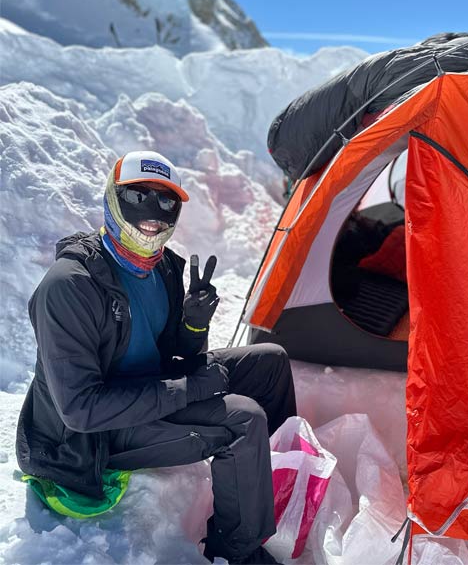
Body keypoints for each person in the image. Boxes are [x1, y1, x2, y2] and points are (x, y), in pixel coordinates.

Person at [16, 150, 297, 564]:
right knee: (242, 420)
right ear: (113, 198)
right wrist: (187, 390)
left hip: (145, 390)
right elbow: (79, 410)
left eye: (166, 201)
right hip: (89, 439)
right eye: (138, 196)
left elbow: (174, 359)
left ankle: (271, 485)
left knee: (270, 362)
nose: (153, 212)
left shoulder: (161, 267)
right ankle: (237, 549)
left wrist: (194, 326)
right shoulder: (70, 287)